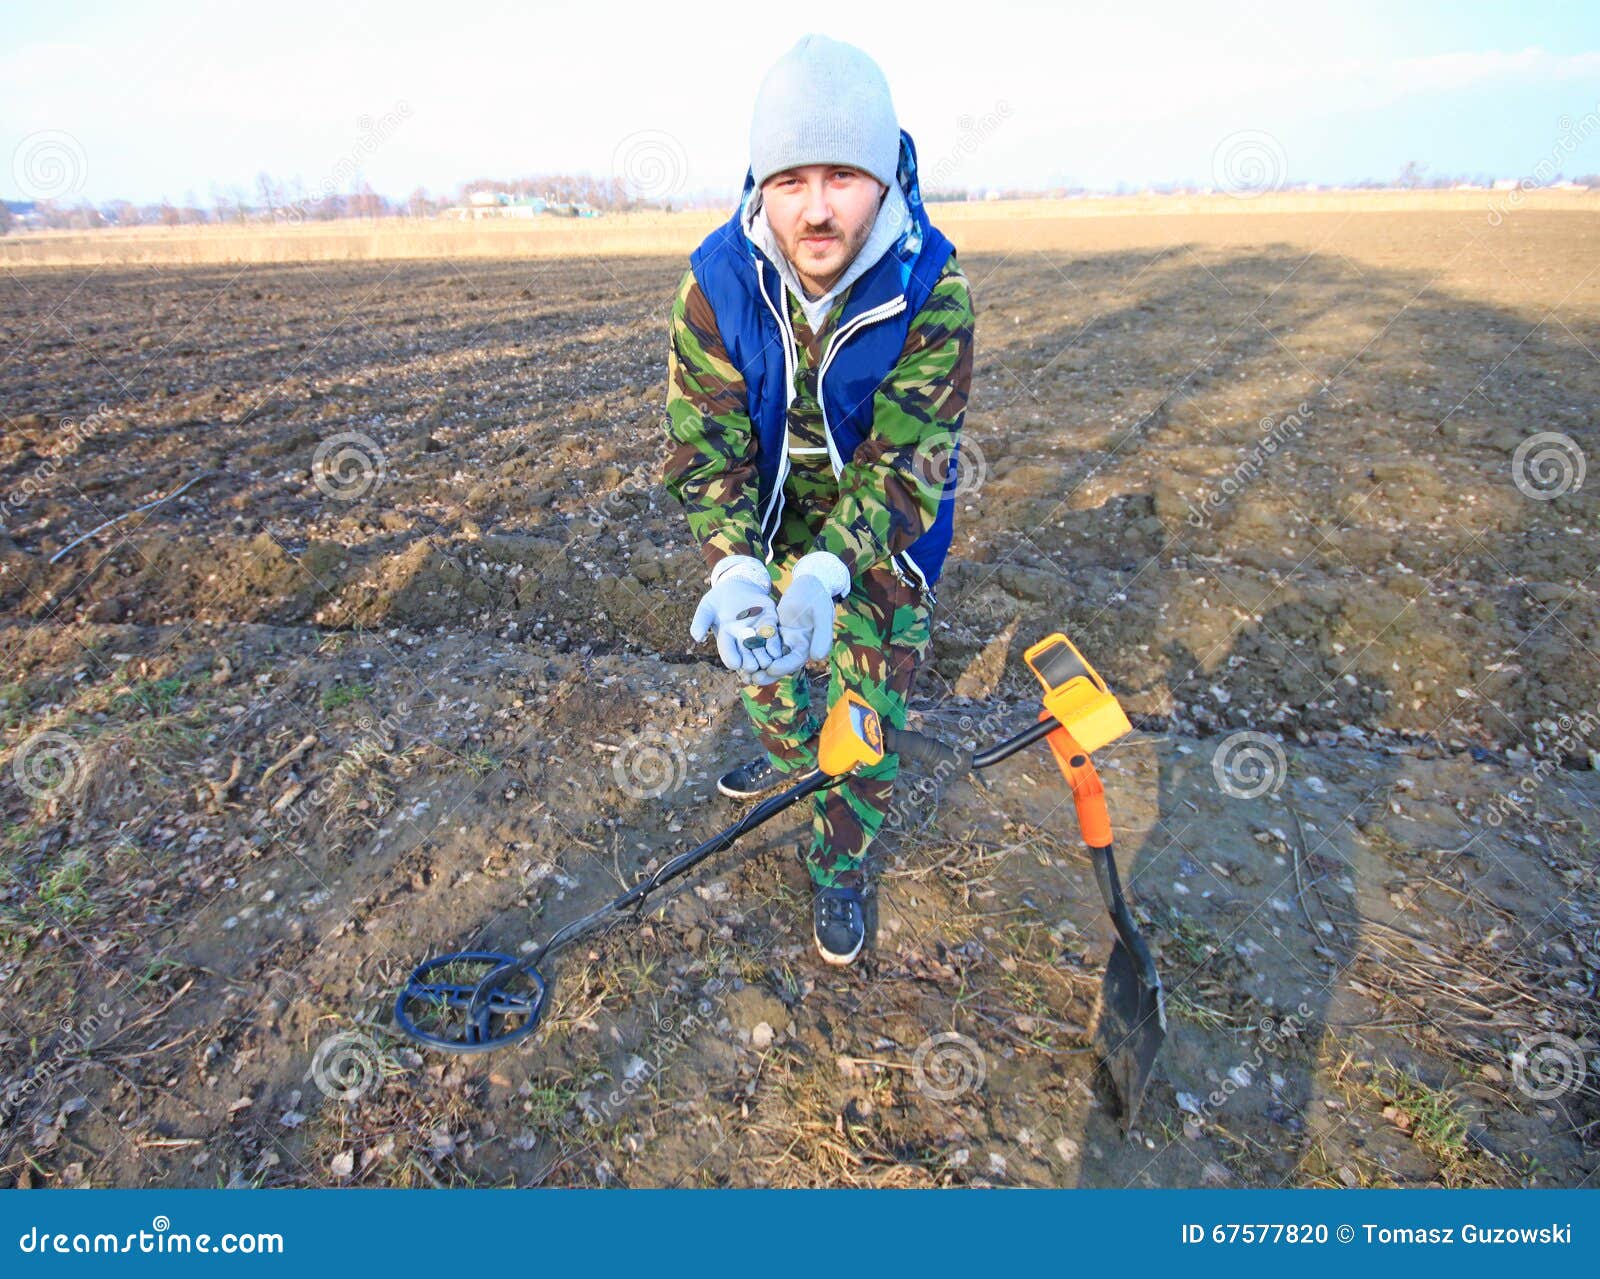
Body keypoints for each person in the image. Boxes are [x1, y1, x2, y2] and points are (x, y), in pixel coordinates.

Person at [662, 33, 975, 966]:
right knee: (769, 675)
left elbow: (909, 458)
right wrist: (738, 567)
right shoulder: (717, 282)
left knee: (863, 721)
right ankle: (794, 760)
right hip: (770, 529)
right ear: (761, 185)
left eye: (842, 176)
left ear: (883, 178)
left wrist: (832, 572)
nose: (817, 208)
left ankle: (839, 862)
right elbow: (706, 443)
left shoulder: (932, 288)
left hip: (883, 537)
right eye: (790, 180)